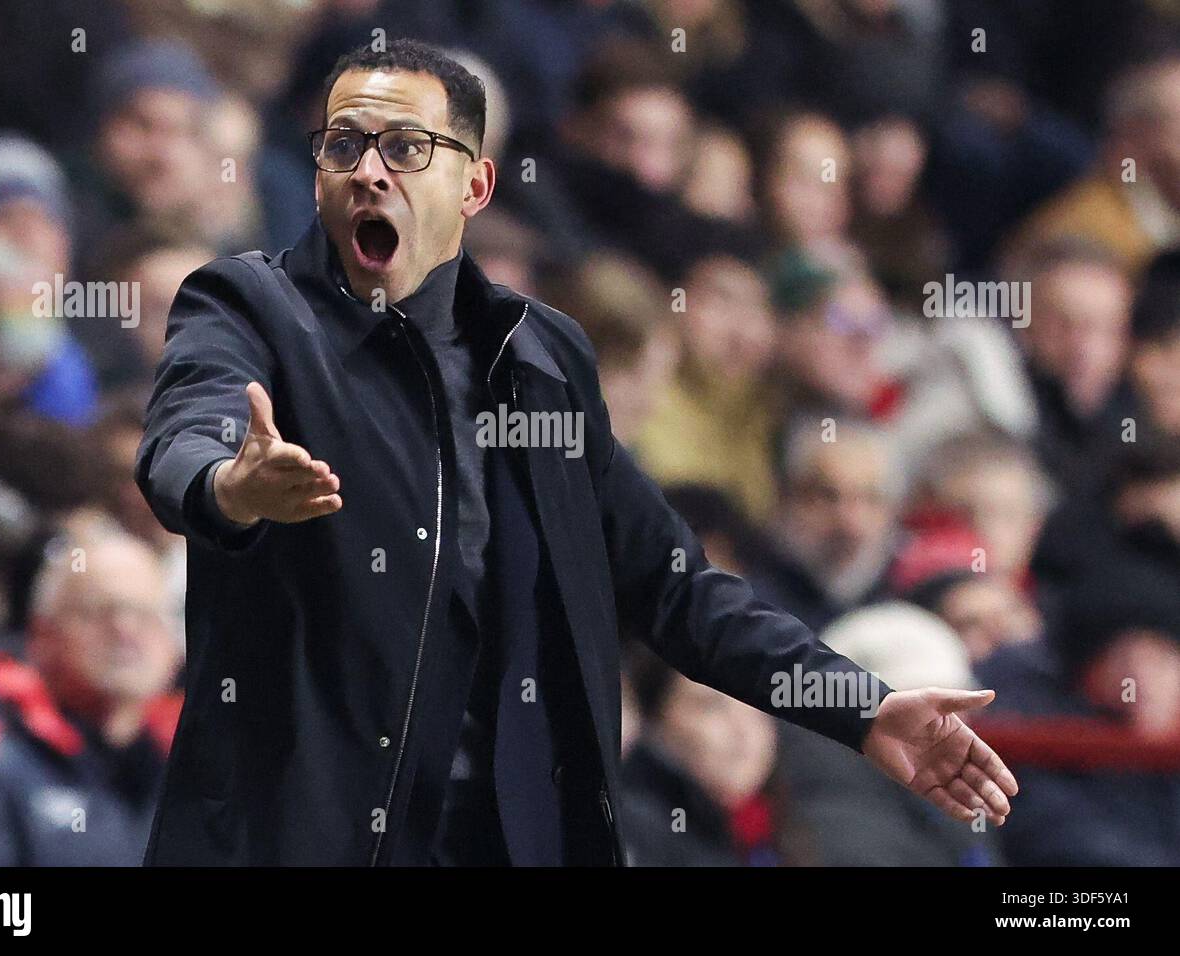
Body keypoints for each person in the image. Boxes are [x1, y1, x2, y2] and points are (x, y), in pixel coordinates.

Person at [136, 38, 1018, 867]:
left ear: (475, 186)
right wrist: (229, 487)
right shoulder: (249, 305)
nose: (367, 171)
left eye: (405, 147)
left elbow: (674, 585)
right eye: (342, 145)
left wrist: (862, 708)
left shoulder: (540, 358)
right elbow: (191, 431)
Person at [0, 523, 182, 865]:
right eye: (100, 610)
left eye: (147, 614)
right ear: (41, 635)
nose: (126, 631)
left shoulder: (188, 774)